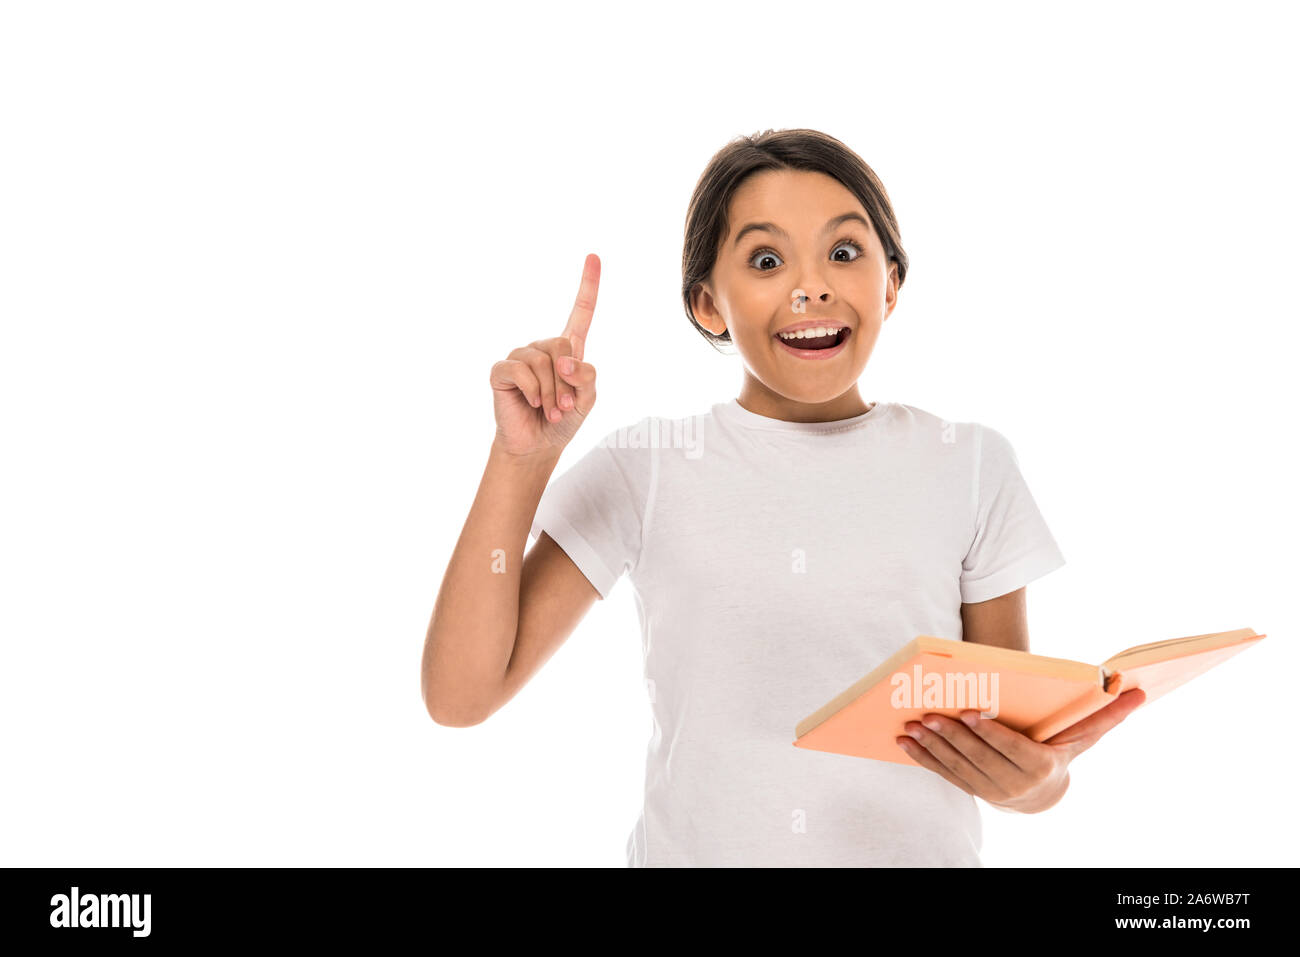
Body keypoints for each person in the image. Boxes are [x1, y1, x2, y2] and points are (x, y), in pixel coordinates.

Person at [421, 127, 1145, 867]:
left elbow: (1005, 747)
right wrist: (522, 459)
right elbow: (460, 696)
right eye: (766, 259)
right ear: (708, 303)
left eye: (844, 252)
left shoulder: (970, 465)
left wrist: (1042, 782)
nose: (812, 286)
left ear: (890, 284)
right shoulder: (650, 469)